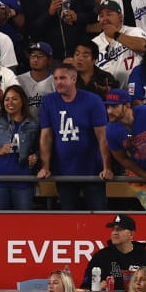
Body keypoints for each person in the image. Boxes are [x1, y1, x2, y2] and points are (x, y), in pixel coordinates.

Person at [38, 63, 110, 210]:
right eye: (56, 78)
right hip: (63, 171)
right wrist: (44, 167)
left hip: (93, 172)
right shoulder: (48, 101)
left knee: (98, 214)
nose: (58, 82)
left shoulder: (93, 100)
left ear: (73, 79)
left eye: (63, 78)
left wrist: (106, 167)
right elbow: (46, 136)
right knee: (68, 218)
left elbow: (102, 136)